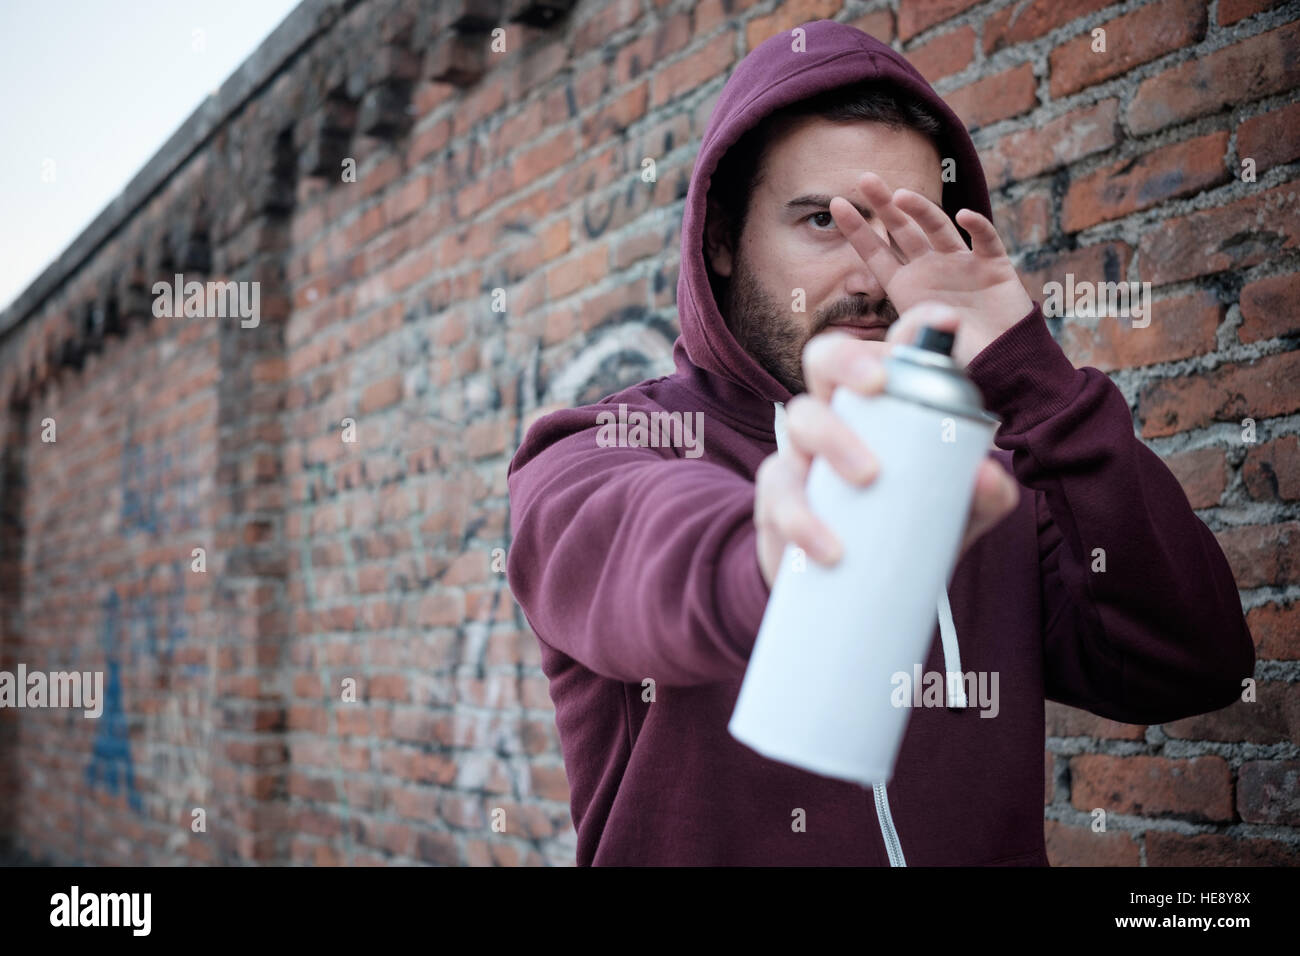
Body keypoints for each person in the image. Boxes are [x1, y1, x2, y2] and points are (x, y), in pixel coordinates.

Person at [505, 19, 1255, 866]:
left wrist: (1035, 379)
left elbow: (1192, 663)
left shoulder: (983, 487)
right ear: (719, 238)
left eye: (902, 230)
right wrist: (767, 548)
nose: (871, 278)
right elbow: (640, 539)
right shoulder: (597, 452)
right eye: (823, 221)